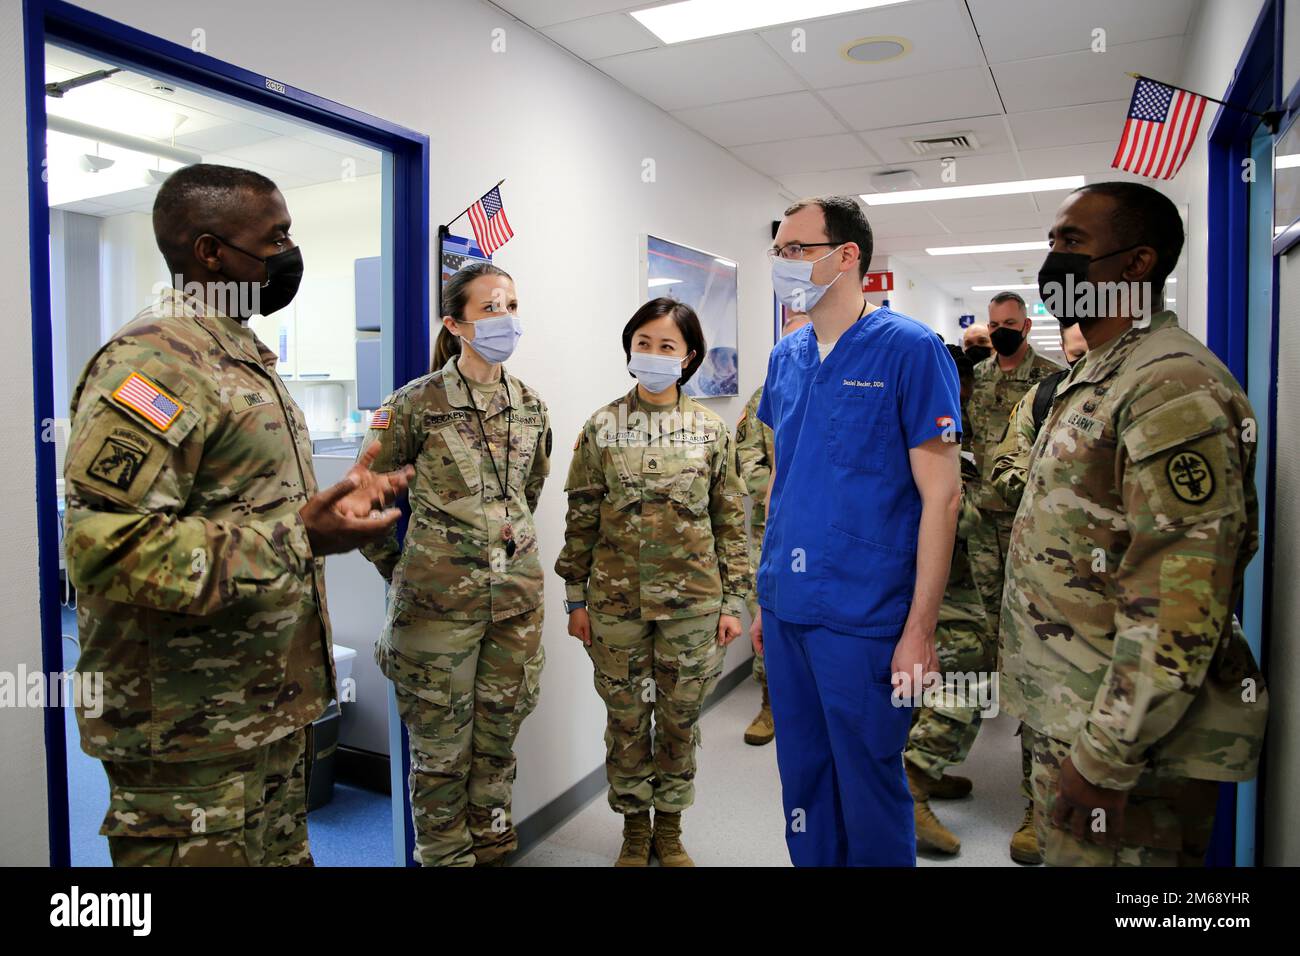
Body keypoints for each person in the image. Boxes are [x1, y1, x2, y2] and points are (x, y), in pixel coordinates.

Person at [63, 163, 412, 867]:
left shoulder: (242, 357)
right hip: (187, 728)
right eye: (275, 236)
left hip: (265, 707)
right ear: (211, 251)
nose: (288, 253)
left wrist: (330, 508)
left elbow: (242, 503)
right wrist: (296, 538)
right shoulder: (156, 363)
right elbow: (103, 547)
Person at [1003, 181, 1269, 866]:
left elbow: (1181, 599)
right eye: (1052, 243)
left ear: (1136, 263)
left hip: (1129, 749)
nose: (1054, 260)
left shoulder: (1169, 384)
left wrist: (1105, 760)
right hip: (1072, 713)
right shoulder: (1097, 374)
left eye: (1073, 244)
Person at [751, 195, 962, 867]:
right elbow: (782, 484)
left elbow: (944, 497)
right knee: (804, 778)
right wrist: (767, 594)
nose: (782, 263)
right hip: (790, 609)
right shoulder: (786, 358)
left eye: (795, 249)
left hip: (866, 615)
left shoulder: (913, 351)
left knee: (868, 780)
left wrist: (920, 631)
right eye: (777, 251)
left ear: (847, 258)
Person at [359, 262, 551, 867]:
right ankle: (445, 858)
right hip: (434, 617)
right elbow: (365, 499)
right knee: (441, 755)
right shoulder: (415, 404)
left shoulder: (530, 405)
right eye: (492, 307)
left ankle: (494, 849)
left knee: (497, 744)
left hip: (514, 610)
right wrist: (406, 569)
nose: (507, 319)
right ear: (455, 322)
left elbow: (528, 493)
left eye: (513, 306)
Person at [556, 298, 748, 867]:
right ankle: (634, 830)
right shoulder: (601, 427)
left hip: (692, 607)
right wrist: (574, 599)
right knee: (625, 719)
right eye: (644, 343)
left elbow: (731, 521)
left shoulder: (711, 431)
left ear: (688, 358)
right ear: (629, 348)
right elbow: (582, 517)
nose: (654, 354)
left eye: (668, 346)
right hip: (615, 607)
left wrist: (735, 601)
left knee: (680, 719)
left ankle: (670, 827)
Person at [964, 290, 1063, 863]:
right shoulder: (974, 377)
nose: (1002, 332)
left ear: (1026, 326)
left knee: (1031, 647)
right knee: (981, 628)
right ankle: (966, 725)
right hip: (981, 522)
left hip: (1036, 532)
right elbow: (964, 443)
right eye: (994, 325)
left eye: (1010, 325)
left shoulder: (1051, 381)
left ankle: (1038, 797)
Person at [904, 344, 992, 855]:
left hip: (959, 583)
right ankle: (912, 781)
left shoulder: (955, 431)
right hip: (921, 582)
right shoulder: (916, 430)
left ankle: (928, 769)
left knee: (935, 680)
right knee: (970, 679)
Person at [734, 312, 810, 746]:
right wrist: (784, 492)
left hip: (830, 535)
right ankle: (771, 705)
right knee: (771, 614)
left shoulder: (844, 390)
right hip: (775, 532)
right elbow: (747, 462)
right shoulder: (765, 399)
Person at [988, 322, 1087, 507]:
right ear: (1063, 348)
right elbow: (1007, 469)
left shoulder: (1134, 389)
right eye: (1079, 355)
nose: (1090, 362)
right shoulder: (1043, 395)